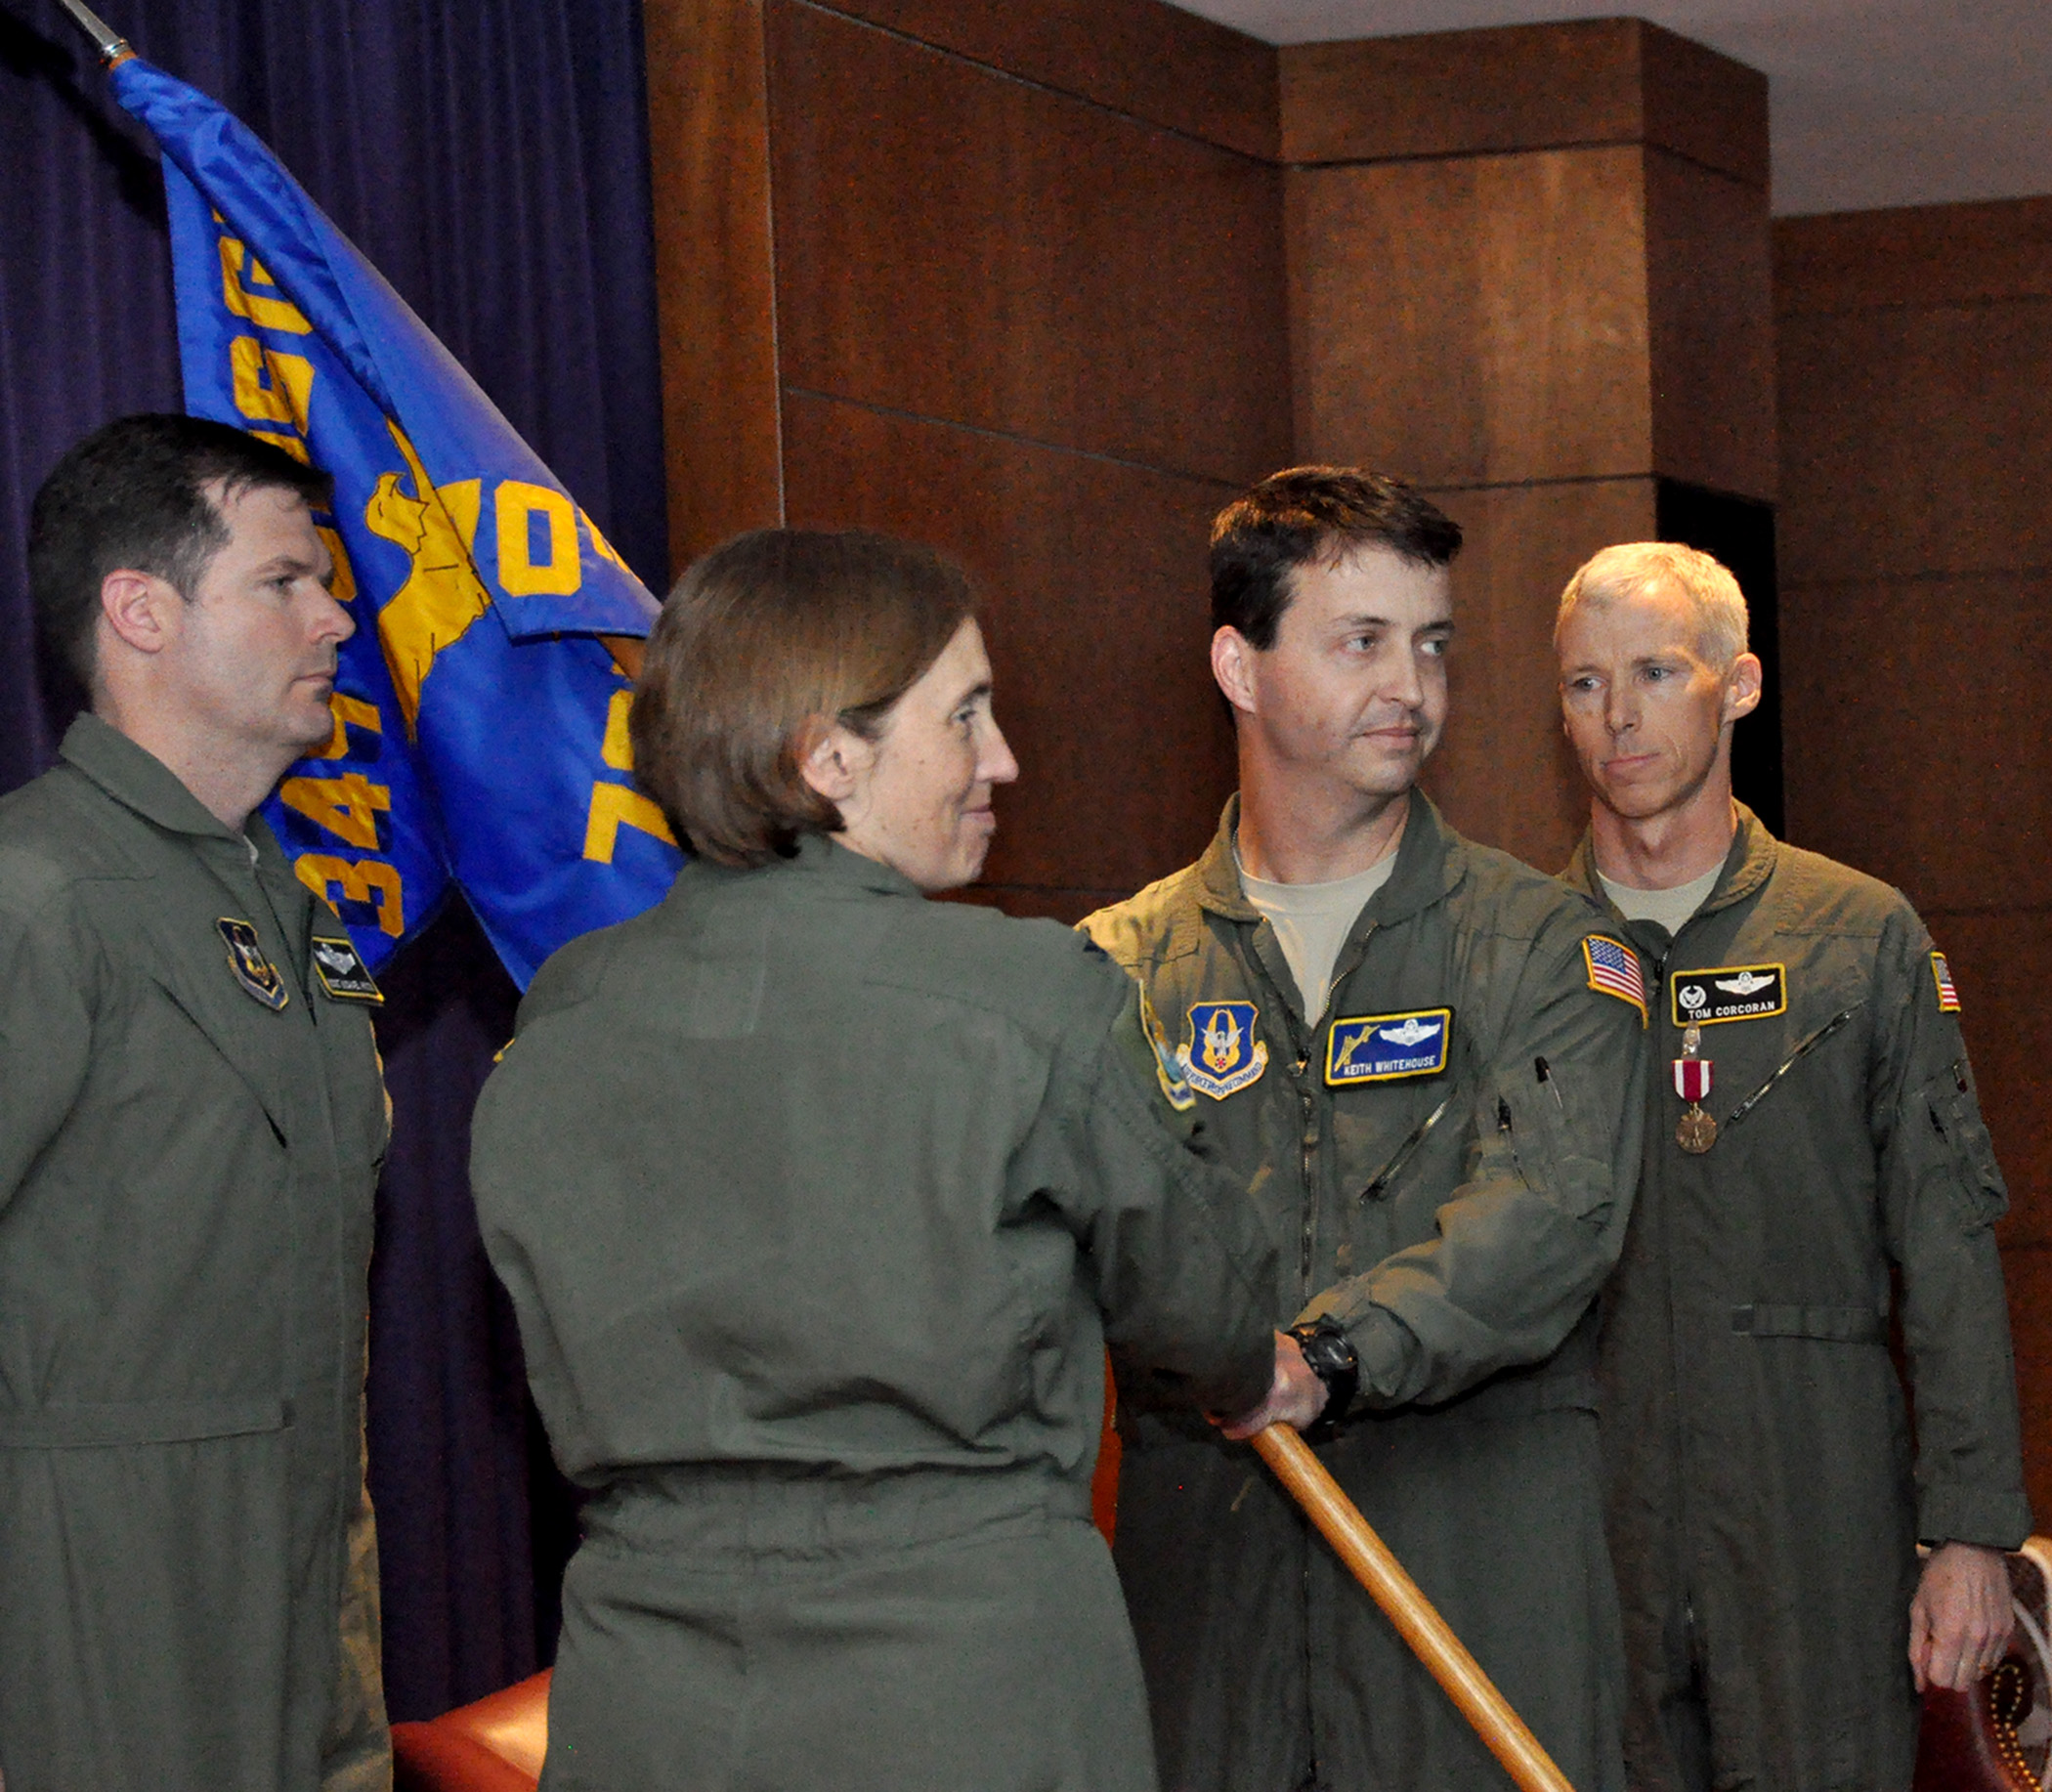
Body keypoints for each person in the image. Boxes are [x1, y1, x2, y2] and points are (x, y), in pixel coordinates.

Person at [468, 528, 1316, 1792]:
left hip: (651, 1700)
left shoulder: (557, 1021)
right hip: (960, 1689)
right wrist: (1257, 1368)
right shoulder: (1027, 999)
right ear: (829, 759)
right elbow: (1205, 1306)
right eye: (965, 715)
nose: (1003, 759)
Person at [1082, 465, 1649, 1792]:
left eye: (1433, 644)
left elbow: (1550, 1221)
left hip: (1473, 1590)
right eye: (1363, 642)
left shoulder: (1549, 946)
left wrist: (1323, 1356)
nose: (1413, 685)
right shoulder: (1118, 970)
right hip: (1213, 1626)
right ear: (1240, 662)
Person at [1553, 539, 2030, 1792]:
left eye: (1657, 672)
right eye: (1585, 683)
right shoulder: (1523, 953)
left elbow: (1945, 1241)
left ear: (1740, 684)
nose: (1620, 717)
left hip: (1817, 1510)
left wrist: (1971, 1529)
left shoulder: (1856, 933)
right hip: (1593, 1523)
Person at [0, 415, 391, 1792]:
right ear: (140, 609)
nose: (338, 616)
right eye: (285, 581)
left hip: (301, 1605)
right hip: (88, 1636)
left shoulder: (291, 915)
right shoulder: (34, 894)